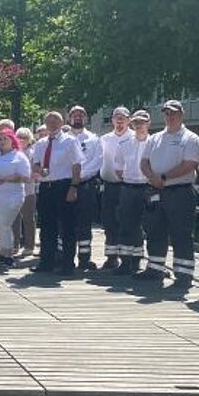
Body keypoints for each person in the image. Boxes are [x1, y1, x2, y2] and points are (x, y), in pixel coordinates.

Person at [135, 100, 199, 291]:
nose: (170, 117)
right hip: (155, 191)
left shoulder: (190, 138)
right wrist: (152, 178)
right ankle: (155, 268)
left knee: (181, 233)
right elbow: (144, 162)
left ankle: (184, 274)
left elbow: (189, 164)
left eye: (173, 113)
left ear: (182, 114)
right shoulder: (155, 138)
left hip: (179, 191)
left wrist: (163, 177)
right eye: (167, 114)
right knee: (154, 230)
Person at [30, 111, 84, 276]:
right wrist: (40, 170)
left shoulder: (69, 141)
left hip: (64, 185)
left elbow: (77, 165)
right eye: (49, 122)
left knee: (67, 226)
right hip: (47, 186)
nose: (52, 124)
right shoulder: (41, 143)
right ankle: (46, 261)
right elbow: (35, 164)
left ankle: (68, 263)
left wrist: (74, 186)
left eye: (55, 121)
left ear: (61, 124)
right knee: (47, 226)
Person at [0, 130, 31, 266]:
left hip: (11, 197)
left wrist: (7, 179)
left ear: (12, 140)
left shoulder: (19, 156)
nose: (2, 142)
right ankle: (2, 252)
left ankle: (8, 254)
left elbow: (26, 178)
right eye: (0, 139)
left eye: (5, 139)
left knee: (3, 223)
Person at [113, 110, 152, 276]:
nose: (139, 126)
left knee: (151, 225)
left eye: (142, 122)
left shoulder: (154, 143)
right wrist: (130, 179)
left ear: (148, 123)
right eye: (136, 123)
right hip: (129, 187)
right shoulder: (125, 144)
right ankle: (127, 262)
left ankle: (145, 262)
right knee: (127, 225)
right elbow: (118, 168)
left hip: (148, 187)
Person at [68, 105, 104, 271]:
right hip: (66, 185)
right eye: (74, 115)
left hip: (86, 184)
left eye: (81, 115)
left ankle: (84, 259)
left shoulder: (94, 139)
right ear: (69, 118)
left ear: (86, 119)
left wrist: (80, 176)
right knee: (65, 222)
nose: (77, 117)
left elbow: (97, 161)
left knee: (84, 223)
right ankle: (65, 257)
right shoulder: (64, 139)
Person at [99, 107, 133, 269]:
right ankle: (111, 256)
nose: (120, 120)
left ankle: (128, 258)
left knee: (126, 222)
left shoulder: (134, 137)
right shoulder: (105, 139)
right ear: (112, 120)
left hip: (127, 186)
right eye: (116, 117)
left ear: (129, 120)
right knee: (109, 222)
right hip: (109, 185)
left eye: (123, 118)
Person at [12, 127, 37, 258]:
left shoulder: (32, 153)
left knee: (28, 219)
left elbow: (33, 171)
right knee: (14, 218)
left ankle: (29, 245)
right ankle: (14, 244)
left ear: (29, 140)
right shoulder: (13, 153)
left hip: (28, 190)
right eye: (19, 137)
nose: (21, 140)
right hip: (14, 190)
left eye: (24, 138)